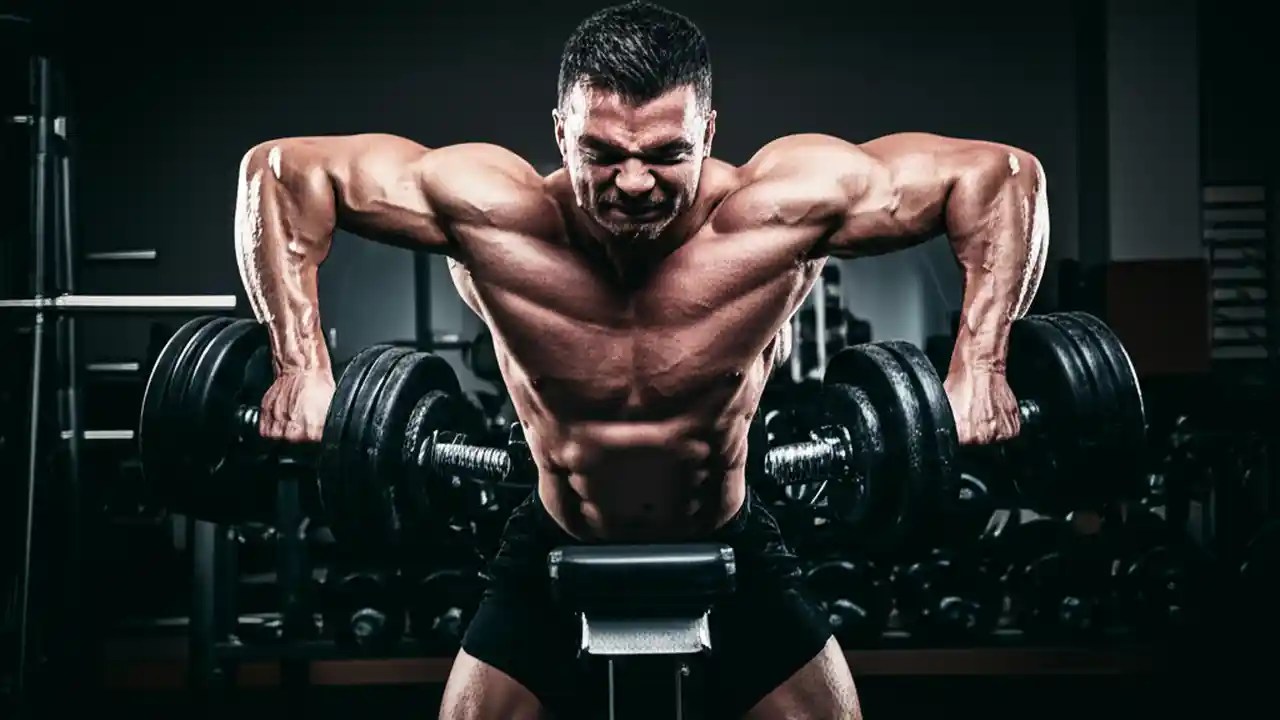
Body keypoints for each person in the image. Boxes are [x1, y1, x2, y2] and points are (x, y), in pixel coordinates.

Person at [233, 2, 1048, 717]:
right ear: (560, 131)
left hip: (730, 534)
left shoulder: (778, 212)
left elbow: (1001, 176)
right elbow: (281, 171)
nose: (632, 182)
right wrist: (300, 363)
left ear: (709, 132)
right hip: (555, 536)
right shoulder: (497, 217)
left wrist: (983, 363)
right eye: (599, 153)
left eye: (665, 154)